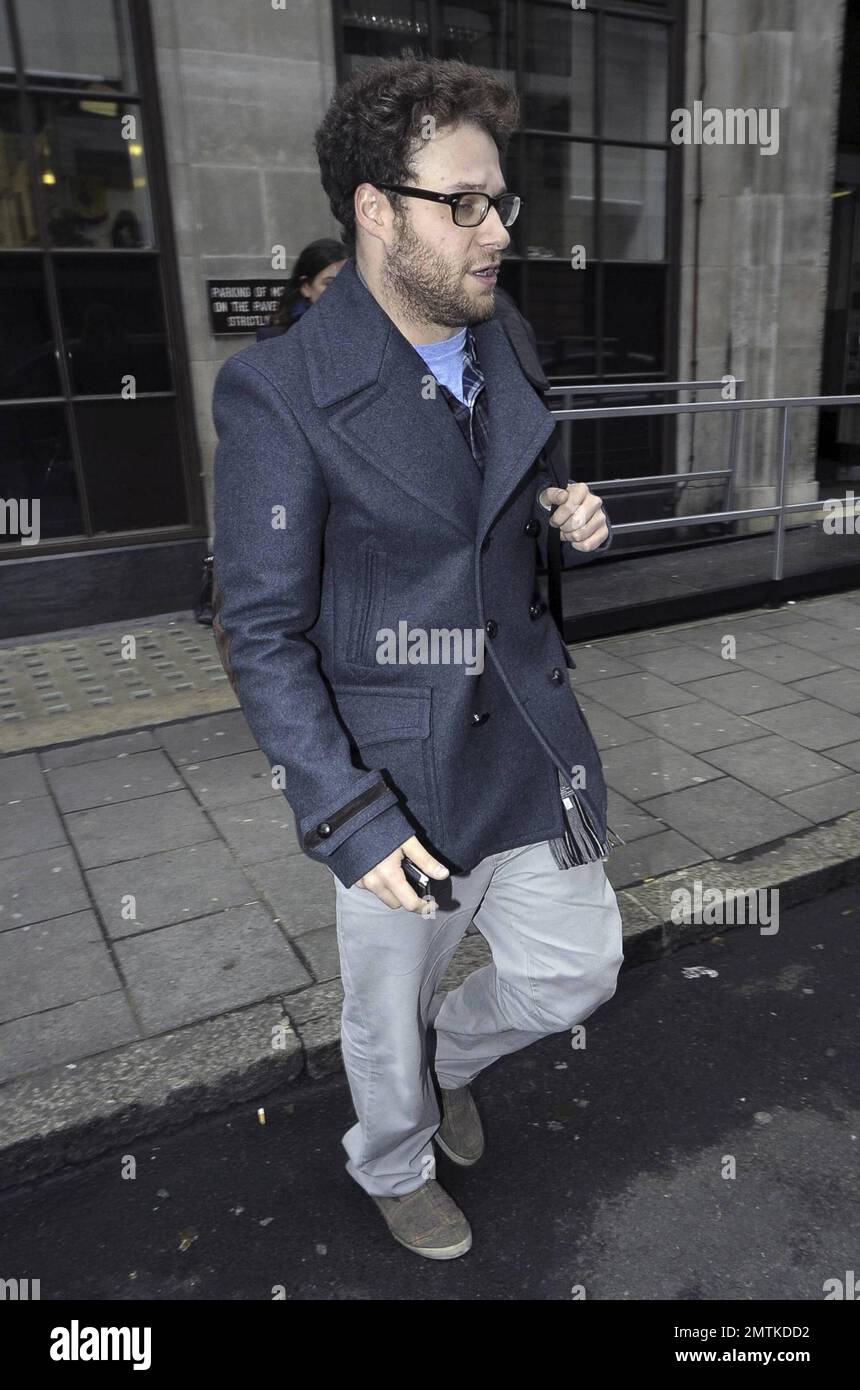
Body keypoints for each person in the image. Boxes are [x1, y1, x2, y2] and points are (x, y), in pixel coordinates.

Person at [212, 53, 624, 1262]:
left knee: (576, 973)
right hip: (395, 786)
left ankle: (456, 1060)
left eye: (499, 201)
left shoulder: (507, 336)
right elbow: (263, 630)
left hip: (528, 744)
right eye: (463, 204)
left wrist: (566, 514)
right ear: (375, 211)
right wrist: (340, 810)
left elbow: (513, 493)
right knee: (383, 1015)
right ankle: (390, 1160)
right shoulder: (277, 394)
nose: (495, 231)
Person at [256, 238, 347, 340]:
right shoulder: (276, 337)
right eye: (329, 283)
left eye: (347, 283)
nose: (340, 290)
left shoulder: (363, 331)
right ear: (306, 287)